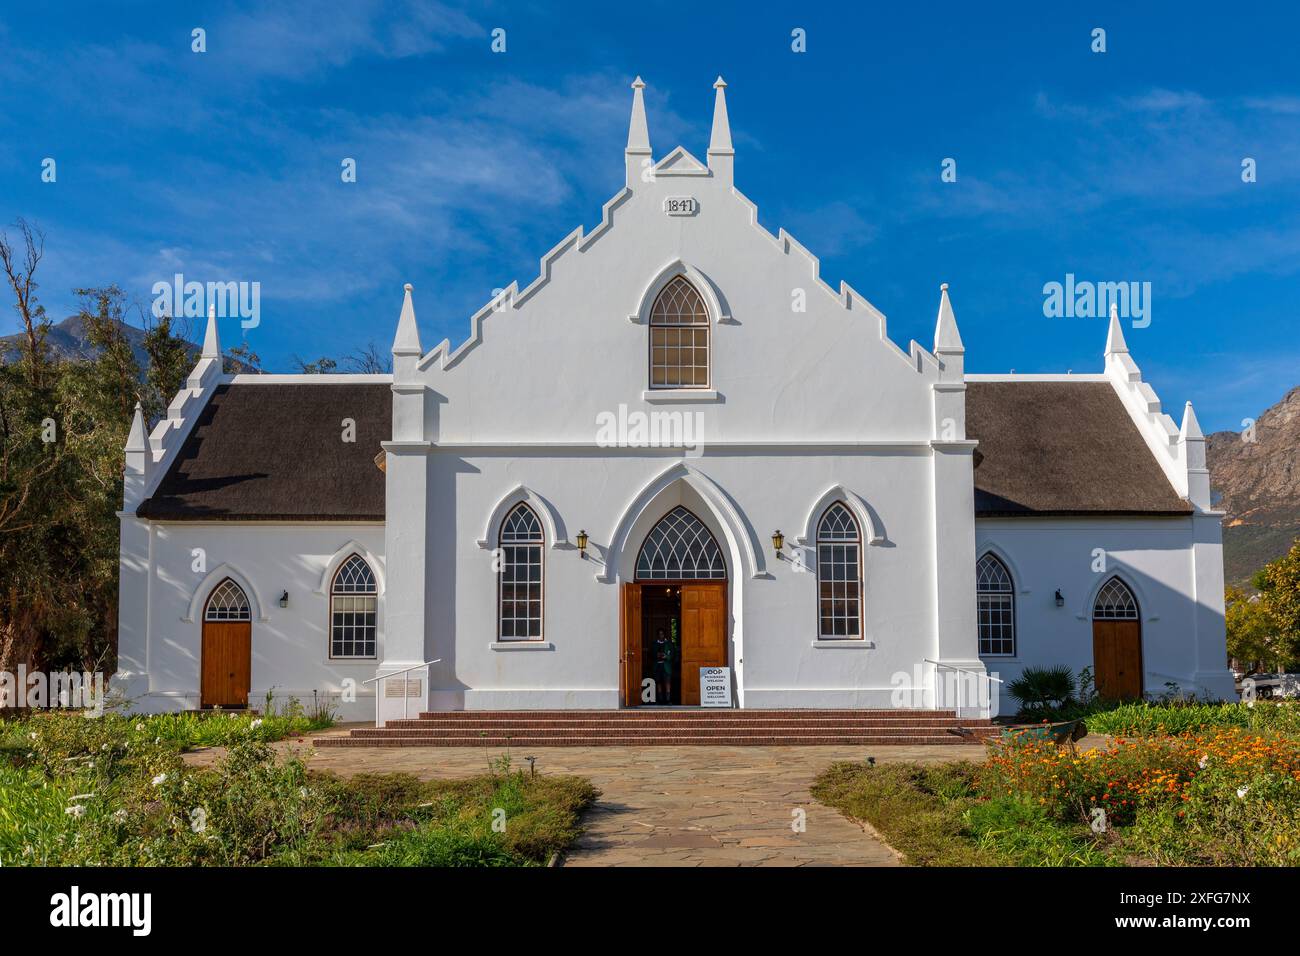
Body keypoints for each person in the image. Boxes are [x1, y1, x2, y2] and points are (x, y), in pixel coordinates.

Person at [652, 627, 674, 704]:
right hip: (657, 666)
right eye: (659, 634)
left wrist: (666, 657)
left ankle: (668, 700)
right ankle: (660, 700)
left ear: (664, 635)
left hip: (666, 666)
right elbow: (650, 654)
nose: (660, 635)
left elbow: (673, 655)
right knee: (658, 682)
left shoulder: (669, 643)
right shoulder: (654, 643)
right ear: (657, 635)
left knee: (667, 682)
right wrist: (656, 655)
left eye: (662, 634)